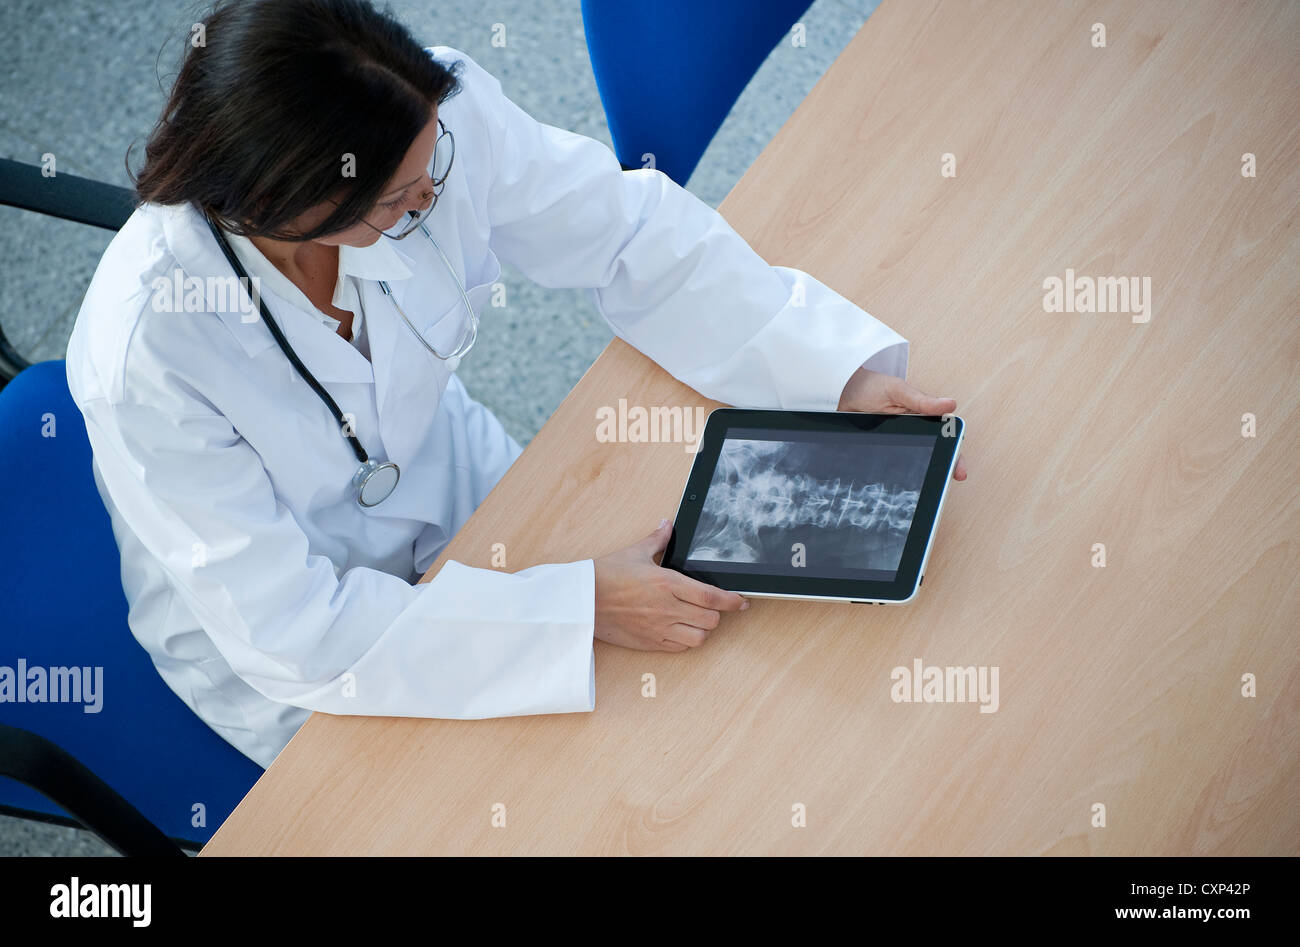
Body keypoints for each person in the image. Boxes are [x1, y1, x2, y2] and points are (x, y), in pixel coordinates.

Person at [65, 0, 968, 769]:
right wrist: (575, 606)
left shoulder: (427, 122)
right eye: (397, 202)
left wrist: (827, 372)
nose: (431, 201)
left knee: (718, 717)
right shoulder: (147, 351)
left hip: (455, 482)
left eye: (431, 174)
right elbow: (295, 632)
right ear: (281, 205)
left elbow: (623, 232)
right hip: (304, 647)